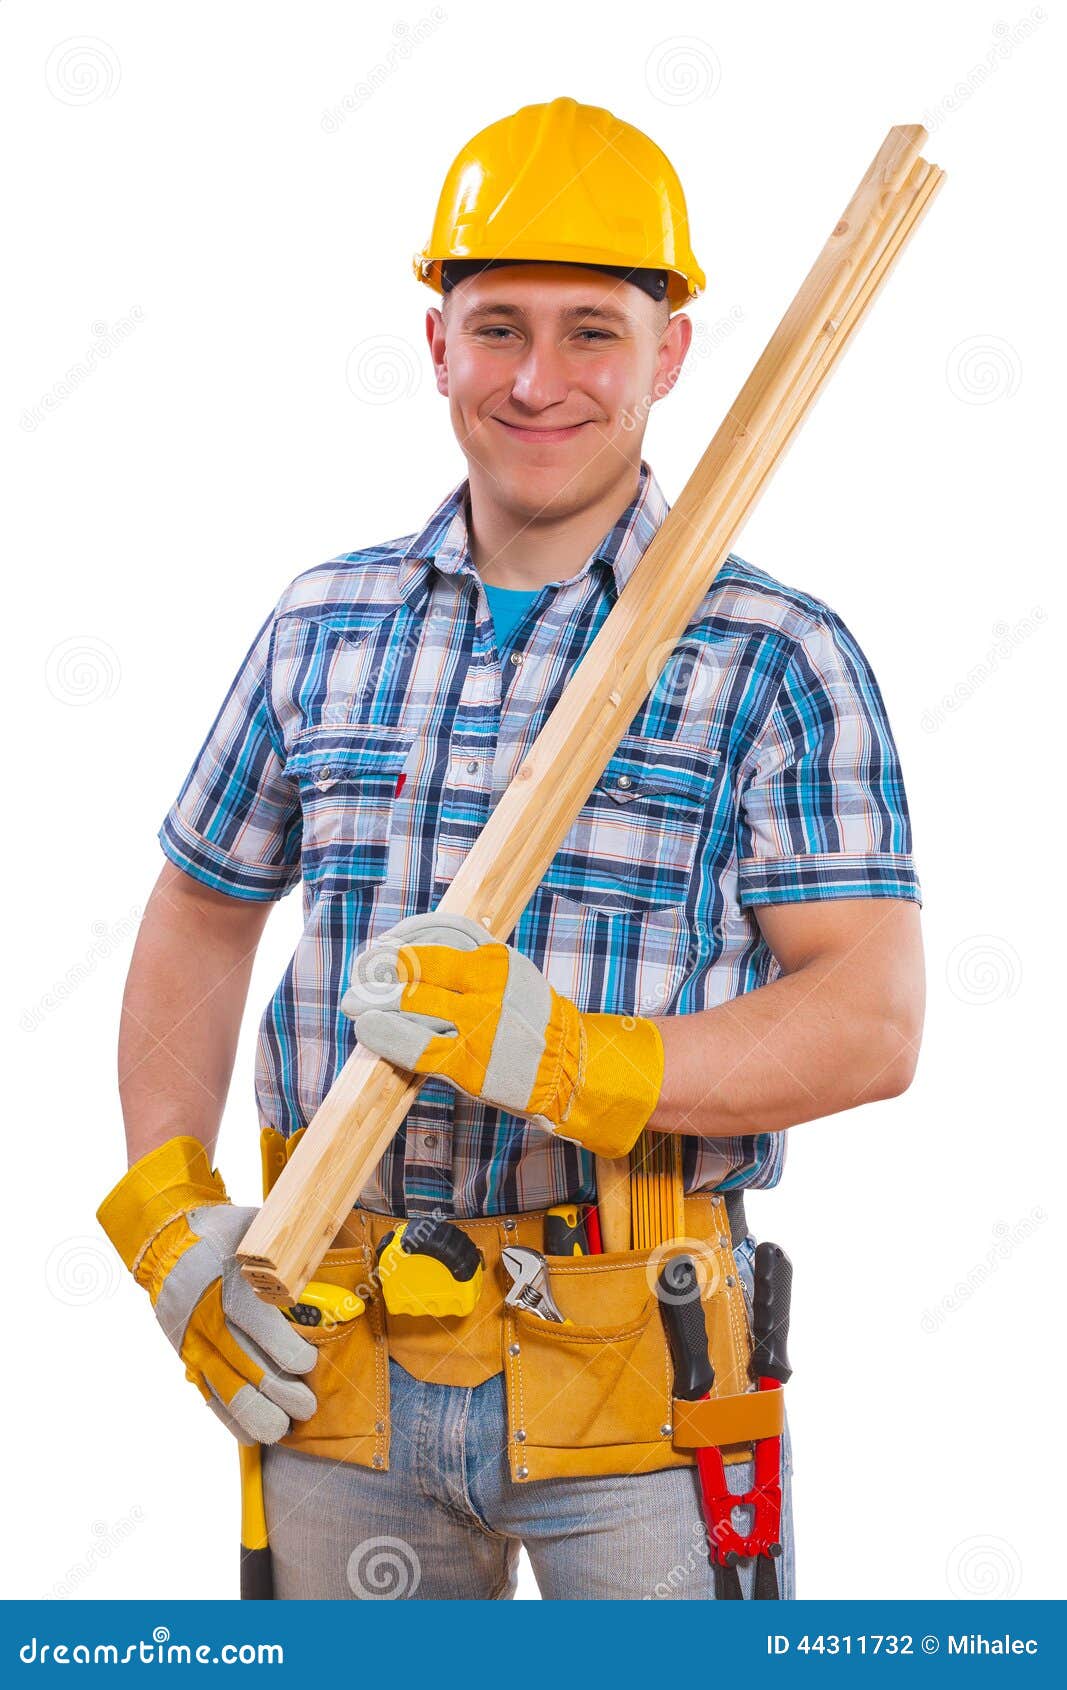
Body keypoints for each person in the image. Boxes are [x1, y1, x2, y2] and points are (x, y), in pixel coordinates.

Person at [97, 96, 925, 1600]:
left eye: (593, 331)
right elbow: (201, 917)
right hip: (331, 1348)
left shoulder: (775, 656)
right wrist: (168, 1209)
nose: (540, 381)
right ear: (437, 344)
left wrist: (573, 1057)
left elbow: (871, 1019)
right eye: (498, 327)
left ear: (671, 351)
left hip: (643, 1375)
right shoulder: (320, 624)